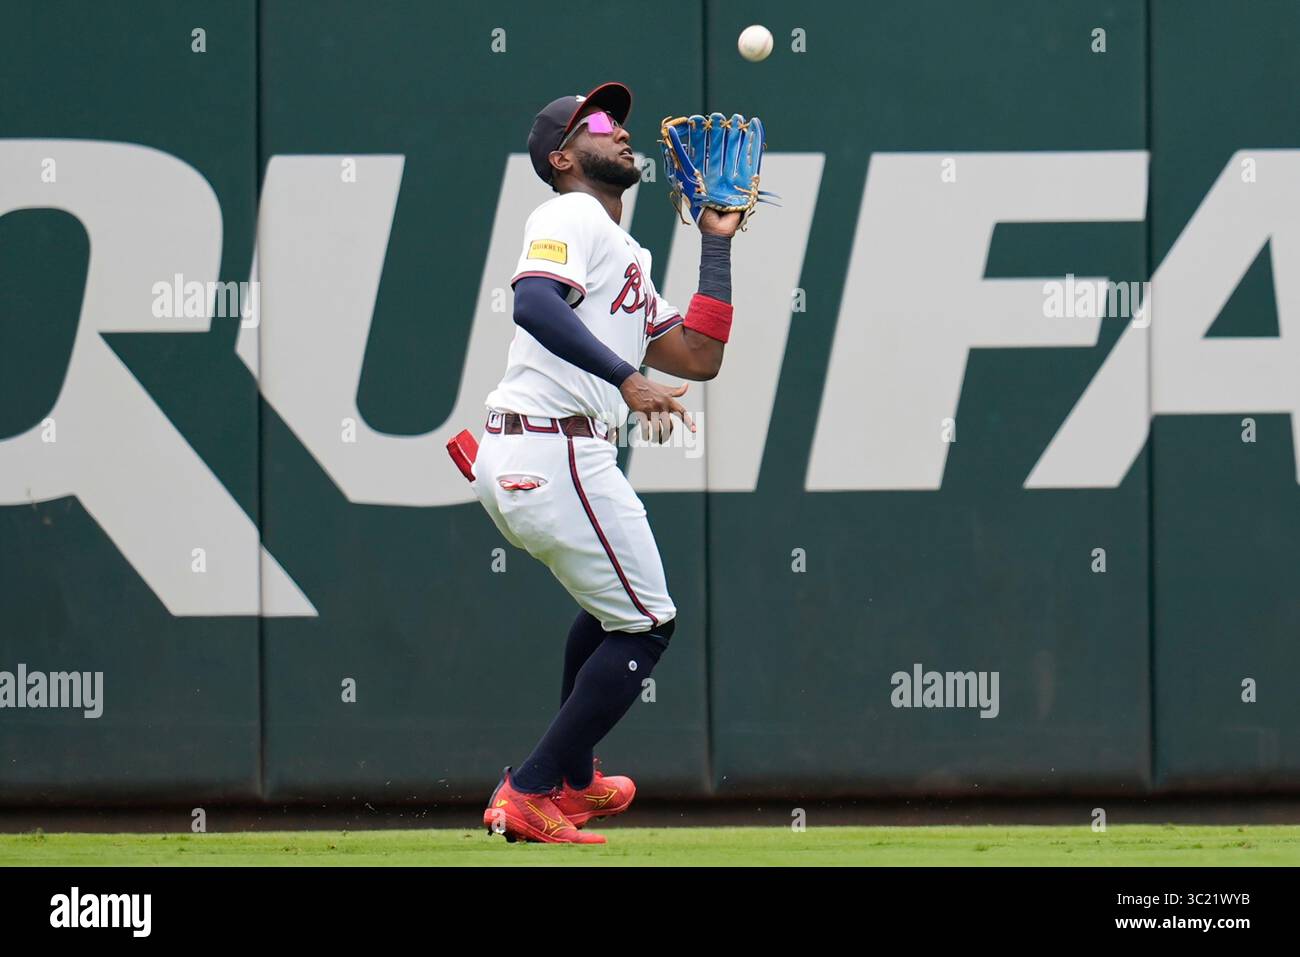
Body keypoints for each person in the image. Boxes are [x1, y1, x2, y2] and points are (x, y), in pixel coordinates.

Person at [474, 82, 740, 844]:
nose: (617, 129)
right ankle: (533, 786)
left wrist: (715, 239)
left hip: (551, 445)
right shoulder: (567, 212)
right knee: (648, 621)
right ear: (562, 156)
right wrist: (625, 378)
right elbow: (533, 301)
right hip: (550, 441)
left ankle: (575, 778)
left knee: (610, 608)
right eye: (595, 121)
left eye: (619, 119)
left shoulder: (622, 248)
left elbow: (697, 355)